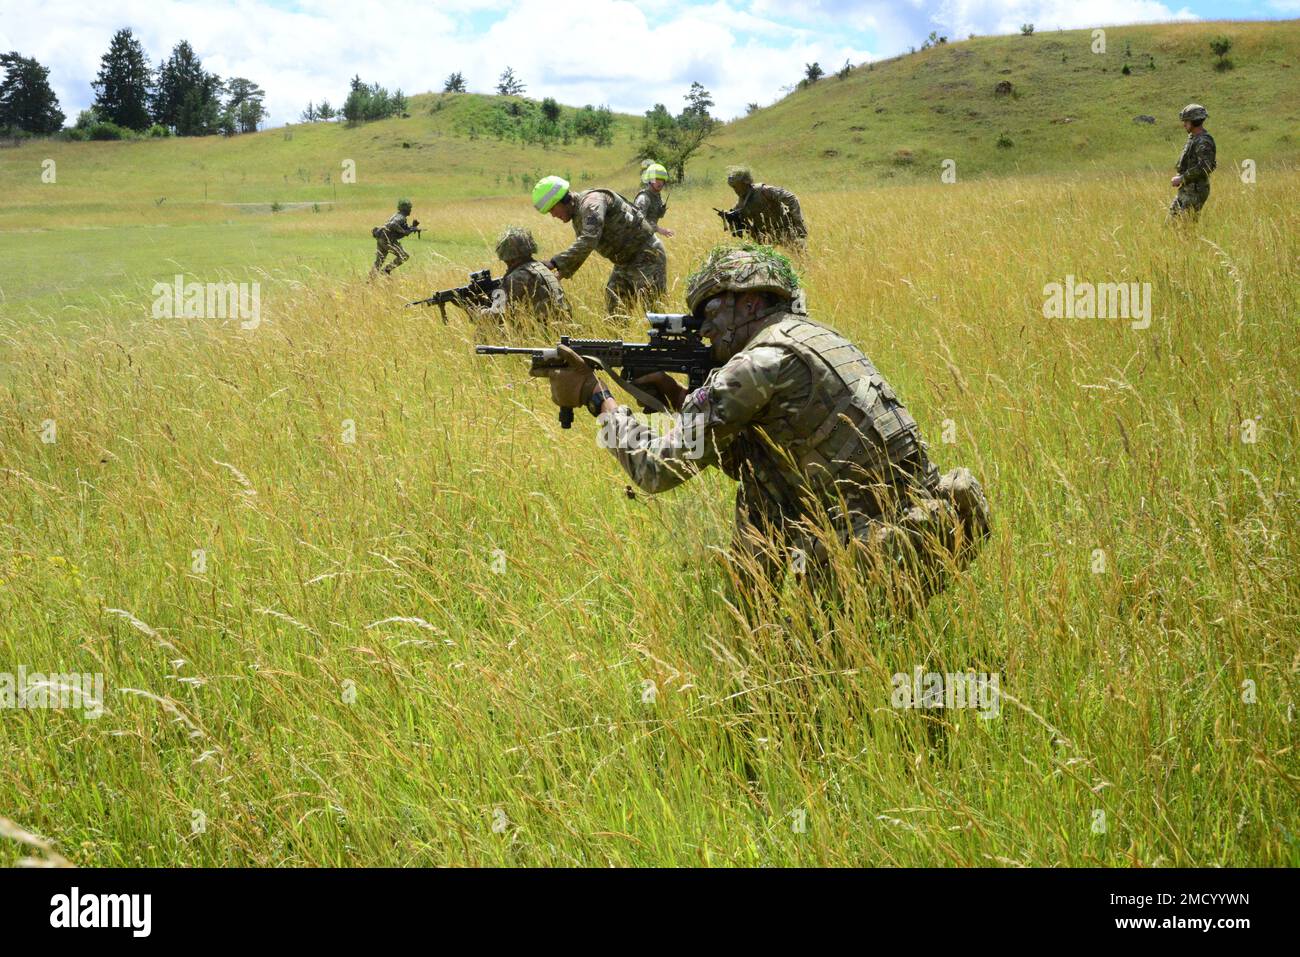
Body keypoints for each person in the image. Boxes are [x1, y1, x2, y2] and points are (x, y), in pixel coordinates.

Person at [532, 244, 990, 613]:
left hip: (873, 554)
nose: (704, 329)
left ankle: (778, 652)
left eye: (710, 313)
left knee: (816, 681)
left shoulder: (755, 365)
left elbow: (656, 472)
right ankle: (760, 617)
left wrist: (597, 398)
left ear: (749, 301)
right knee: (757, 485)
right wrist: (676, 397)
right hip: (924, 526)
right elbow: (759, 451)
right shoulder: (818, 337)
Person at [532, 175, 667, 314]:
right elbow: (582, 249)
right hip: (623, 263)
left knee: (656, 316)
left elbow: (589, 240)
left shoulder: (592, 203)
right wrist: (558, 275)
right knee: (615, 312)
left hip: (647, 256)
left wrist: (554, 263)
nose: (553, 215)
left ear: (563, 200)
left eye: (552, 209)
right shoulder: (578, 214)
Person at [481, 226, 571, 324]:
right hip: (564, 325)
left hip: (545, 330)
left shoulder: (517, 277)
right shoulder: (542, 268)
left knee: (486, 329)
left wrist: (478, 312)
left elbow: (495, 315)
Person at [723, 167, 807, 250]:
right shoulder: (741, 202)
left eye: (736, 186)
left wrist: (798, 225)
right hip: (765, 238)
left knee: (801, 258)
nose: (735, 190)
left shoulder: (764, 190)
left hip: (785, 231)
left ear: (745, 182)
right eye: (733, 187)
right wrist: (732, 218)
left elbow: (791, 199)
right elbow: (739, 218)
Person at [1169, 104, 1216, 220]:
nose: (1184, 124)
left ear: (1194, 121)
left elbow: (1204, 167)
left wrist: (1182, 178)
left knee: (1186, 229)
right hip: (1187, 189)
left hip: (1195, 191)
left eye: (1186, 121)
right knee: (1171, 227)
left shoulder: (1203, 141)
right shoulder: (1193, 137)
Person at [372, 198, 419, 275]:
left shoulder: (397, 215)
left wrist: (411, 228)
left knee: (379, 261)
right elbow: (393, 224)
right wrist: (403, 231)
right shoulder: (401, 217)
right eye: (409, 208)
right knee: (404, 256)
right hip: (388, 241)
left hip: (381, 239)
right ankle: (386, 270)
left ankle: (370, 281)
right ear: (405, 209)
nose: (410, 210)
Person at [635, 162, 674, 239]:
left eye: (662, 180)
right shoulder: (644, 198)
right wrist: (659, 230)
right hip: (636, 237)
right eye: (656, 179)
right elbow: (639, 220)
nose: (660, 183)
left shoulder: (657, 198)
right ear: (650, 180)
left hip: (647, 235)